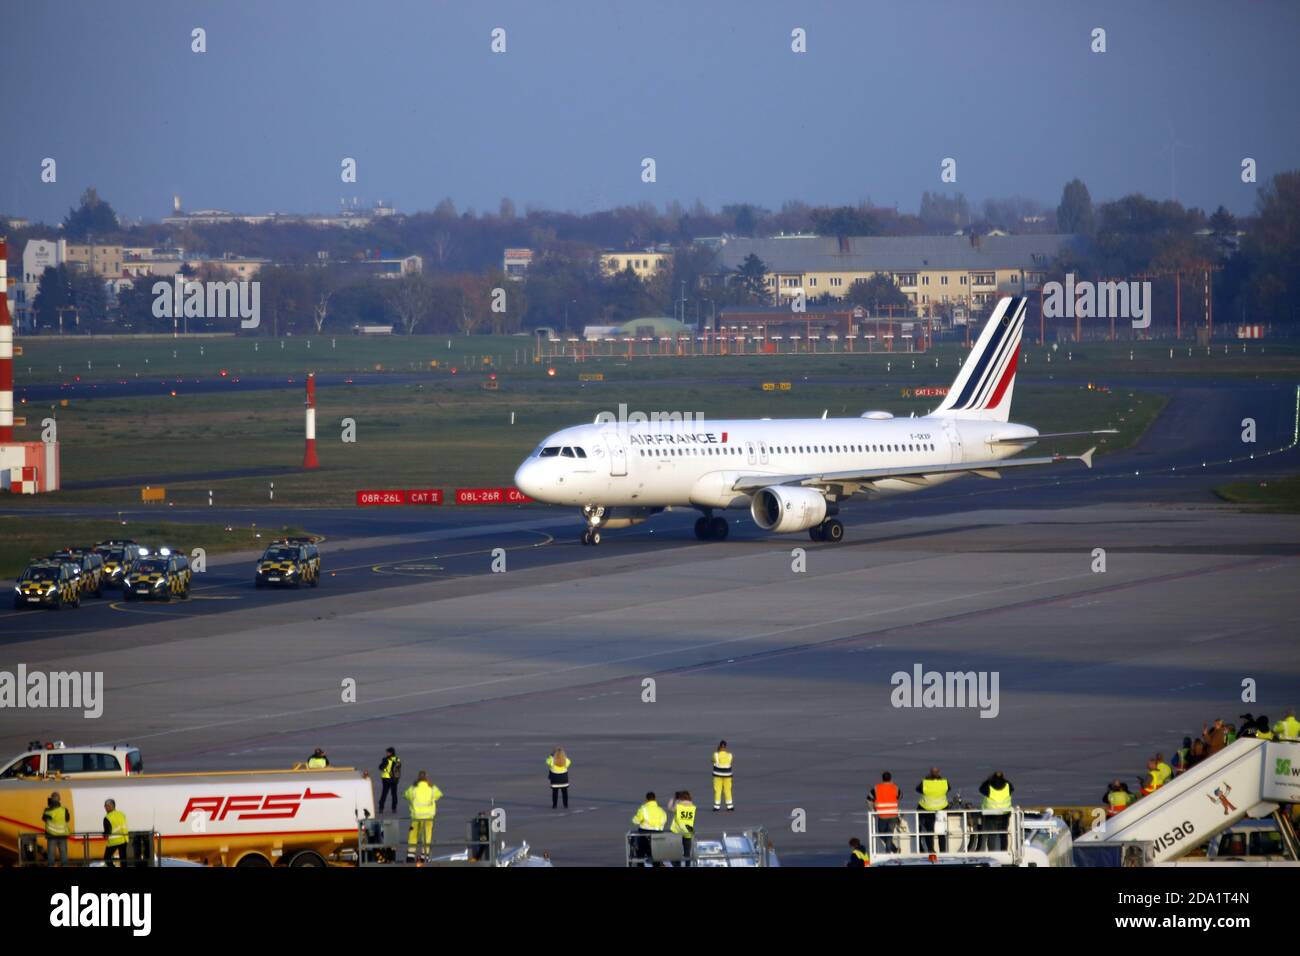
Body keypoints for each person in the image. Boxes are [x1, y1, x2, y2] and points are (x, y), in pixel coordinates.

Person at [403, 771, 442, 864]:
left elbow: (405, 795)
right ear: (426, 778)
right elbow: (439, 794)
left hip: (416, 816)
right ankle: (424, 857)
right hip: (428, 817)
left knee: (413, 836)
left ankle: (410, 856)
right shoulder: (432, 788)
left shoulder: (413, 788)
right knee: (426, 837)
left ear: (418, 778)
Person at [916, 767, 950, 853]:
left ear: (930, 773)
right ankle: (943, 851)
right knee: (941, 832)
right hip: (941, 809)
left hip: (927, 809)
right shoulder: (944, 782)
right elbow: (948, 789)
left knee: (929, 832)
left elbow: (918, 789)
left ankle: (931, 850)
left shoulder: (925, 782)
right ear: (939, 773)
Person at [978, 771, 1014, 851]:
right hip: (1004, 813)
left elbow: (981, 789)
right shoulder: (1008, 785)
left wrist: (988, 780)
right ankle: (1004, 851)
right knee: (1003, 834)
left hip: (991, 814)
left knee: (991, 835)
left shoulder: (988, 785)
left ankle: (992, 851)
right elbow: (1012, 790)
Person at [867, 771, 900, 855]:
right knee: (887, 834)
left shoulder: (876, 788)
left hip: (882, 815)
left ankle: (888, 851)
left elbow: (869, 799)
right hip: (893, 814)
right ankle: (894, 849)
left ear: (882, 778)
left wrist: (873, 810)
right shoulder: (895, 787)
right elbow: (900, 796)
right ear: (890, 778)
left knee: (883, 834)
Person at [631, 791, 668, 866]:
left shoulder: (643, 809)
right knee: (656, 853)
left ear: (646, 799)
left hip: (644, 836)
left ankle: (640, 864)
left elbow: (635, 821)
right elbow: (664, 821)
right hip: (658, 837)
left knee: (640, 851)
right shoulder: (661, 810)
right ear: (655, 799)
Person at [668, 791, 697, 866]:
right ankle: (688, 865)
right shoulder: (693, 807)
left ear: (680, 798)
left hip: (677, 831)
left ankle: (677, 865)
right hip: (688, 830)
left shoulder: (678, 806)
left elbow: (670, 808)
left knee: (676, 851)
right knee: (687, 852)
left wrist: (674, 799)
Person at [42, 792, 70, 867]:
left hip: (51, 836)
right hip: (62, 836)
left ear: (51, 799)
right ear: (59, 799)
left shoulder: (47, 810)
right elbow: (67, 819)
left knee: (51, 857)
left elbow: (44, 819)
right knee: (64, 856)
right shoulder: (64, 810)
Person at [103, 799, 129, 867]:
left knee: (107, 858)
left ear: (112, 806)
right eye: (105, 806)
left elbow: (107, 833)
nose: (105, 807)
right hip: (124, 839)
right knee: (123, 859)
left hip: (114, 841)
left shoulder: (107, 818)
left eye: (106, 806)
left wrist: (104, 835)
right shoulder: (121, 814)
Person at [711, 741, 734, 812]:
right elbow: (731, 762)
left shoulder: (716, 755)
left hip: (717, 776)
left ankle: (717, 806)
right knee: (728, 790)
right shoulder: (730, 755)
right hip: (727, 776)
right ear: (725, 747)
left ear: (719, 746)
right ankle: (730, 806)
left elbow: (712, 760)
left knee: (718, 790)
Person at [377, 748, 401, 813]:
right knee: (393, 794)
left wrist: (385, 766)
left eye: (388, 752)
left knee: (385, 794)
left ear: (391, 752)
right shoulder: (396, 759)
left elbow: (381, 767)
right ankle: (392, 808)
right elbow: (398, 769)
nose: (387, 753)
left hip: (388, 779)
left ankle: (382, 808)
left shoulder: (387, 759)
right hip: (392, 779)